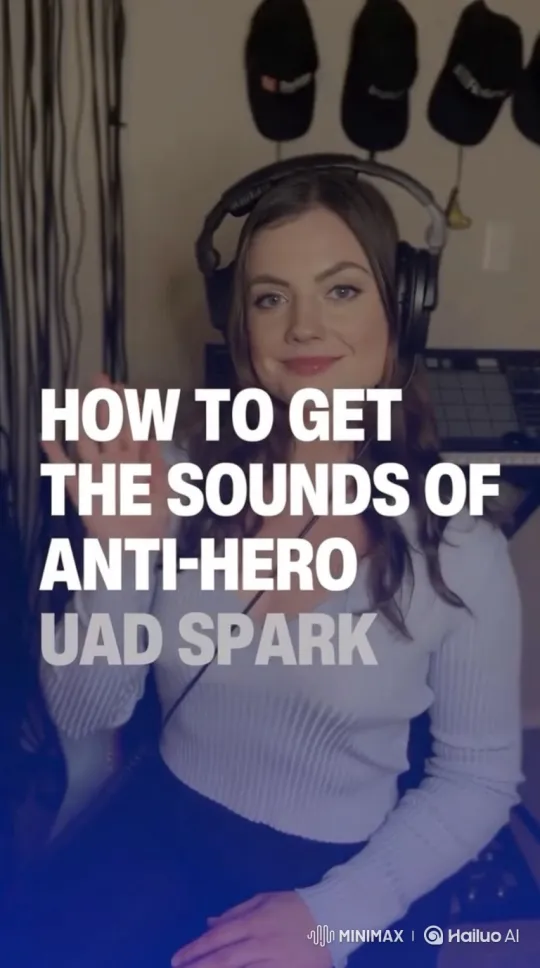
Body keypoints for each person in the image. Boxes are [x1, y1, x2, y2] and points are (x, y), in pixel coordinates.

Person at [1, 170, 522, 968]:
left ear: (403, 312)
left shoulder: (459, 553)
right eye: (270, 297)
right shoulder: (169, 481)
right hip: (158, 823)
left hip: (337, 880)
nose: (303, 327)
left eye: (342, 290)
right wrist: (119, 552)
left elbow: (480, 778)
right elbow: (84, 712)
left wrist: (336, 916)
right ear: (239, 326)